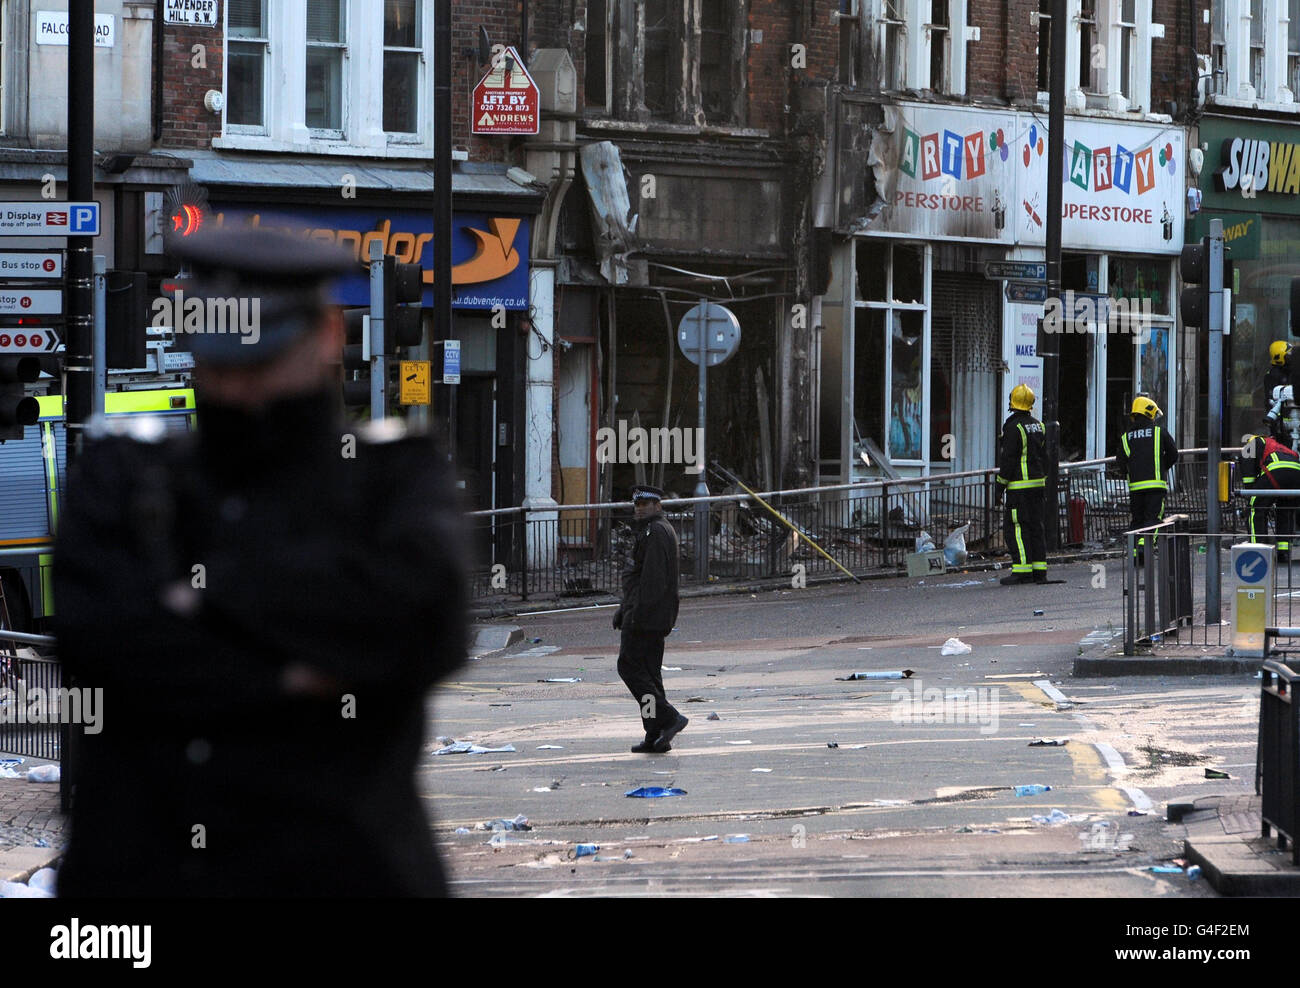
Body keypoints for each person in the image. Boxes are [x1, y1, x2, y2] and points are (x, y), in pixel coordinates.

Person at [53, 225, 468, 896]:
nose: (237, 388)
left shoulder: (392, 476)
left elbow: (425, 625)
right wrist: (298, 670)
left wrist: (195, 605)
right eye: (219, 364)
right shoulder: (122, 475)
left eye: (259, 362)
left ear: (328, 334)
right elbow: (95, 636)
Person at [612, 484, 687, 753]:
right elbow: (640, 579)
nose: (639, 508)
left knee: (630, 669)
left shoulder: (656, 532)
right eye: (637, 504)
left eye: (645, 504)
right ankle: (655, 733)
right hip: (649, 614)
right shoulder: (652, 530)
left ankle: (668, 718)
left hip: (646, 617)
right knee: (649, 675)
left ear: (658, 505)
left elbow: (652, 581)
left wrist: (634, 614)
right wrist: (625, 608)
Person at [1113, 394, 1179, 563]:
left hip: (1136, 488)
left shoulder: (1126, 437)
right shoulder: (1159, 432)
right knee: (1154, 518)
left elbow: (1121, 463)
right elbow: (1173, 454)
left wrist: (1131, 473)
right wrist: (1162, 467)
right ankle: (1144, 545)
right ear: (1150, 413)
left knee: (1137, 519)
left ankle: (1136, 553)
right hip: (1156, 485)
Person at [996, 383, 1051, 585]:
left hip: (1019, 488)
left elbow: (1008, 460)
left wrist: (998, 488)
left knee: (1017, 528)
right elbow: (1045, 458)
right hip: (1038, 487)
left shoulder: (1013, 427)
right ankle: (1039, 571)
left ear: (1013, 402)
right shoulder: (1039, 425)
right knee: (1036, 527)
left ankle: (1022, 570)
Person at [1241, 433, 1300, 563]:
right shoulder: (1280, 448)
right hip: (1296, 474)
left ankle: (1258, 549)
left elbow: (1247, 471)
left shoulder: (1252, 443)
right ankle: (1283, 552)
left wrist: (1250, 492)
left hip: (1275, 471)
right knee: (1286, 512)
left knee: (1256, 508)